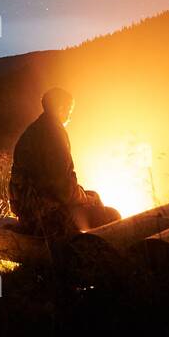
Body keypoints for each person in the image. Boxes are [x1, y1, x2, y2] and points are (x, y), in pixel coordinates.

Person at [8, 88, 120, 239]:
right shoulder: (54, 134)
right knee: (112, 215)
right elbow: (63, 188)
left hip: (27, 214)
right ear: (60, 108)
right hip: (49, 216)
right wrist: (87, 199)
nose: (70, 115)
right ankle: (93, 255)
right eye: (69, 109)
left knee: (91, 196)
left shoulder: (31, 132)